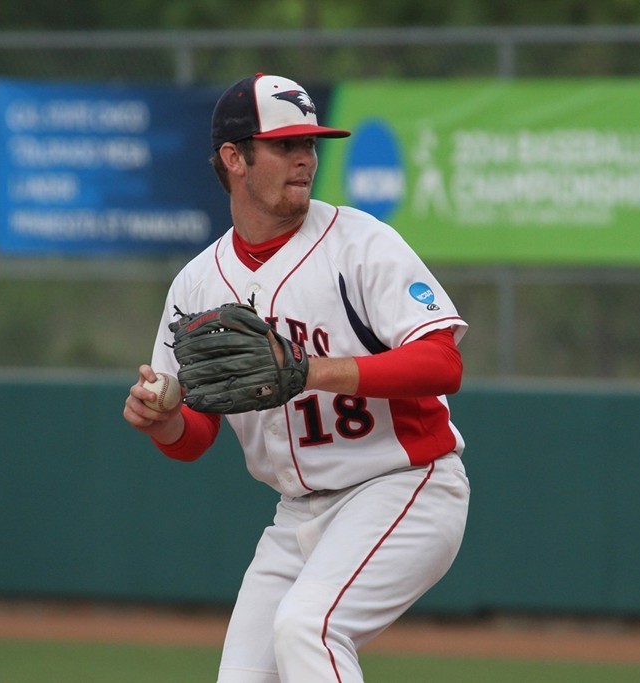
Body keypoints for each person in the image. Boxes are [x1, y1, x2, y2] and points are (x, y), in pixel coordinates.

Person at [123, 73, 470, 683]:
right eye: (285, 145)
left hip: (403, 485)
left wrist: (310, 369)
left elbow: (443, 363)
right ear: (235, 158)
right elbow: (196, 433)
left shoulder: (360, 244)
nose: (305, 158)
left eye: (310, 144)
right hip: (297, 514)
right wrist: (167, 420)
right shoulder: (197, 285)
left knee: (308, 628)